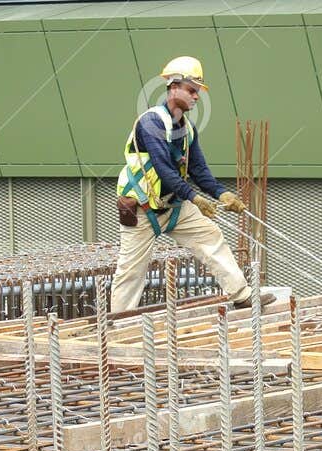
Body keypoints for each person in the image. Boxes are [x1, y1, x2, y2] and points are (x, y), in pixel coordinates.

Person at [112, 56, 274, 312]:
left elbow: (198, 169)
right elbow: (164, 167)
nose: (196, 97)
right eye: (191, 90)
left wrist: (222, 194)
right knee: (131, 270)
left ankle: (242, 295)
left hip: (174, 206)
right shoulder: (150, 122)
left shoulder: (187, 129)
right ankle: (118, 322)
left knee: (211, 236)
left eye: (197, 92)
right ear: (173, 87)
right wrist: (194, 198)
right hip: (142, 210)